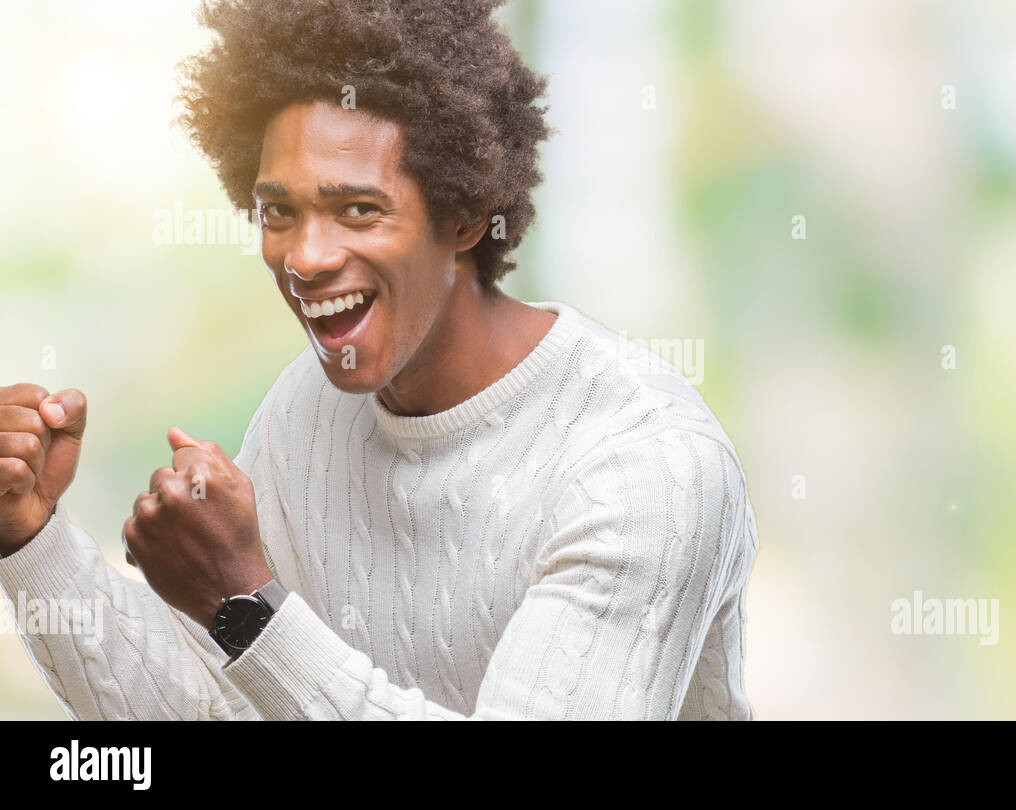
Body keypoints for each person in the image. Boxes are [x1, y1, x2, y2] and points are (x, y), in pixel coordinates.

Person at [0, 0, 757, 720]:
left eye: (358, 209)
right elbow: (217, 709)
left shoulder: (644, 469)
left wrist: (245, 607)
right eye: (279, 213)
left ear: (462, 213)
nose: (306, 257)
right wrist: (30, 539)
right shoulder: (310, 410)